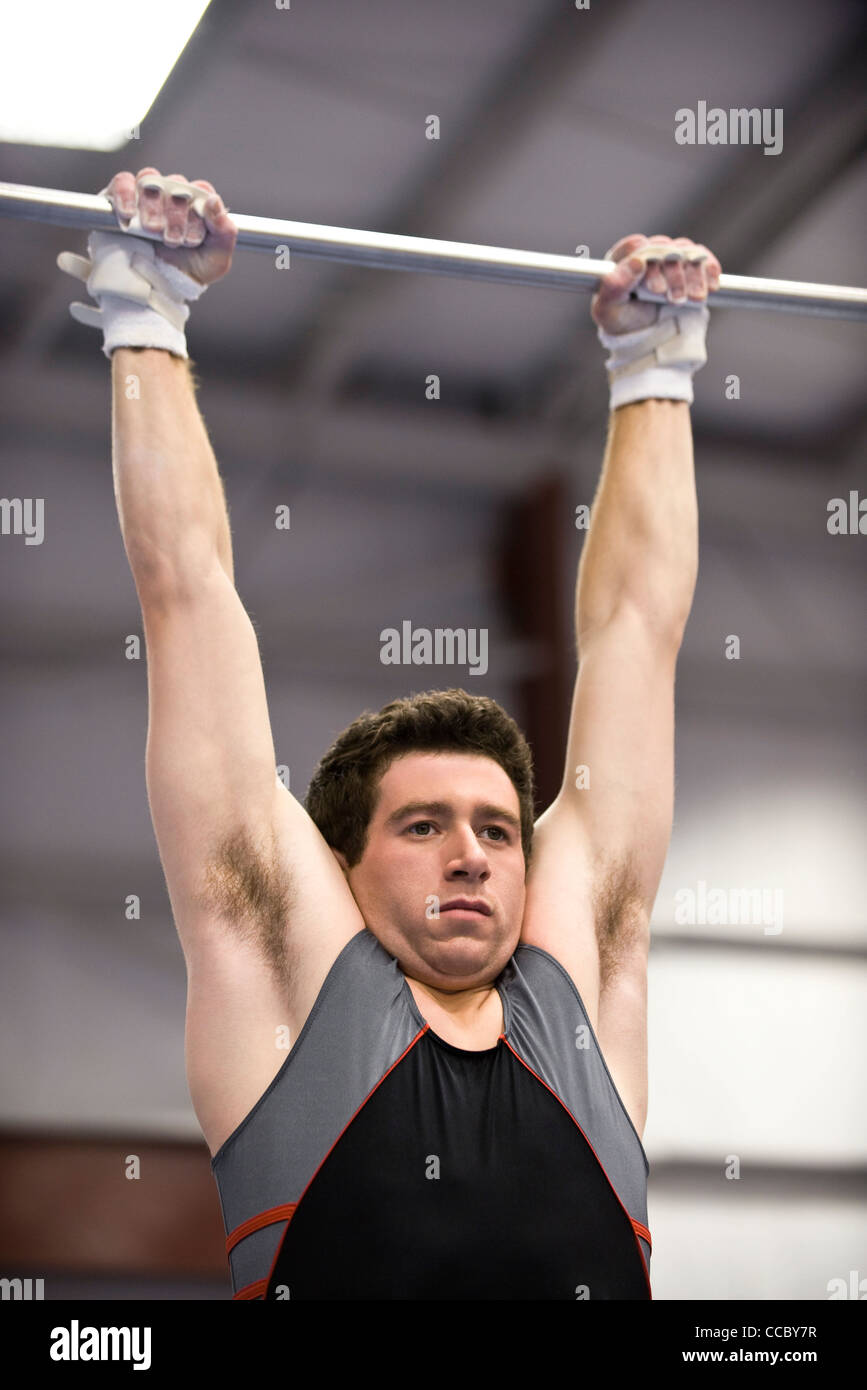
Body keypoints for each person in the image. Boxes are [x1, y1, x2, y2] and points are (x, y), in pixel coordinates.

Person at [58, 167, 721, 1300]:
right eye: (424, 825)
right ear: (337, 869)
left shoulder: (576, 989)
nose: (473, 853)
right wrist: (145, 304)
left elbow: (636, 635)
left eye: (502, 832)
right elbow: (188, 595)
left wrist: (654, 365)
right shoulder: (295, 985)